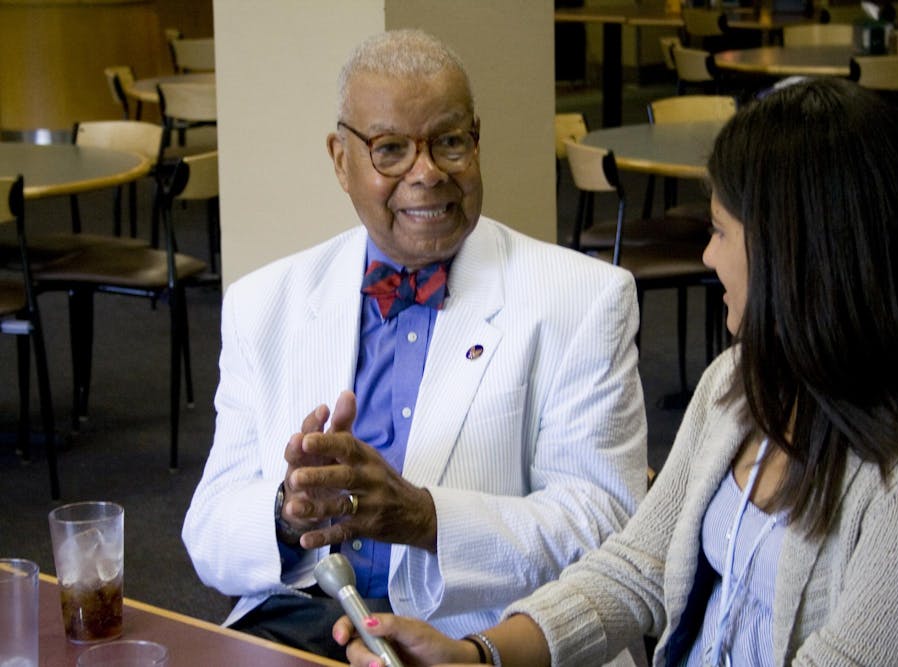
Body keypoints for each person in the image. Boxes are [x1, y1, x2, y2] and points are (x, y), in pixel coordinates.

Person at [332, 77, 898, 666]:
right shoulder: (737, 385)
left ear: (796, 256)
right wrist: (481, 655)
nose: (708, 256)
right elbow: (640, 566)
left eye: (720, 230)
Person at [180, 28, 648, 661]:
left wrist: (426, 519)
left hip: (478, 641)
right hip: (307, 625)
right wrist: (289, 518)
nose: (426, 173)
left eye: (450, 142)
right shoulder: (264, 304)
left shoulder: (582, 298)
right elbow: (208, 533)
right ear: (339, 159)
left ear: (476, 142)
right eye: (391, 149)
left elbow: (609, 533)